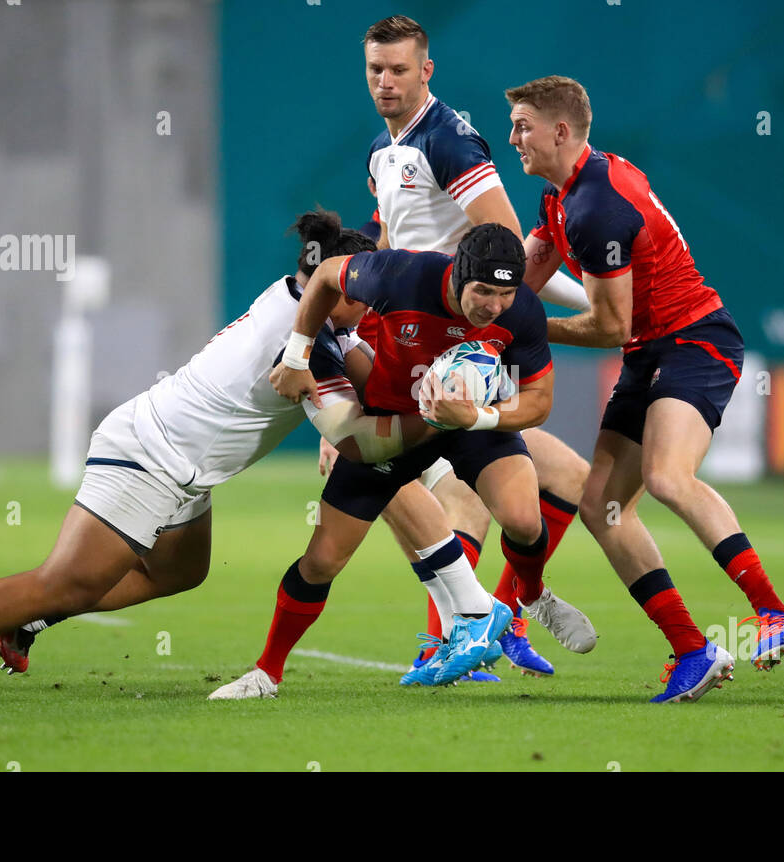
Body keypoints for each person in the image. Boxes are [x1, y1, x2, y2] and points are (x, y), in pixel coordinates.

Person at [0, 210, 452, 702]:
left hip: (182, 466)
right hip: (149, 455)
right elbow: (355, 439)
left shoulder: (314, 310)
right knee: (65, 581)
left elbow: (376, 382)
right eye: (367, 286)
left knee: (180, 571)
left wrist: (434, 379)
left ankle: (26, 620)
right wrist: (440, 418)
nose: (377, 298)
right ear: (338, 284)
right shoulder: (301, 338)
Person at [505, 75, 784, 703]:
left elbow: (610, 324)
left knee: (669, 477)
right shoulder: (563, 196)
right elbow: (524, 278)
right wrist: (483, 328)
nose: (513, 138)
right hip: (650, 353)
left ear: (560, 131)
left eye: (522, 125)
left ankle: (776, 613)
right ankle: (692, 650)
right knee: (601, 507)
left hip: (695, 341)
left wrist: (530, 335)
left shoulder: (596, 208)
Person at [218, 223, 595, 697]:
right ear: (458, 274)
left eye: (504, 293)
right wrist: (297, 355)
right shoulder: (402, 275)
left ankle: (530, 593)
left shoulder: (521, 310)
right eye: (483, 291)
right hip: (393, 427)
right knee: (320, 563)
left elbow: (539, 401)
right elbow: (326, 276)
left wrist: (475, 415)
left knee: (523, 517)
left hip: (469, 424)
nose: (494, 306)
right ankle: (266, 672)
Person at [357, 15, 595, 678]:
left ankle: (493, 620)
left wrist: (574, 311)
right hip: (412, 350)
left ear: (426, 71)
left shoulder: (450, 139)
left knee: (554, 483)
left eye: (399, 69)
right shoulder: (382, 149)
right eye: (376, 69)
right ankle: (490, 623)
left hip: (459, 343)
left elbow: (504, 245)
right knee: (464, 491)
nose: (386, 81)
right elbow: (385, 251)